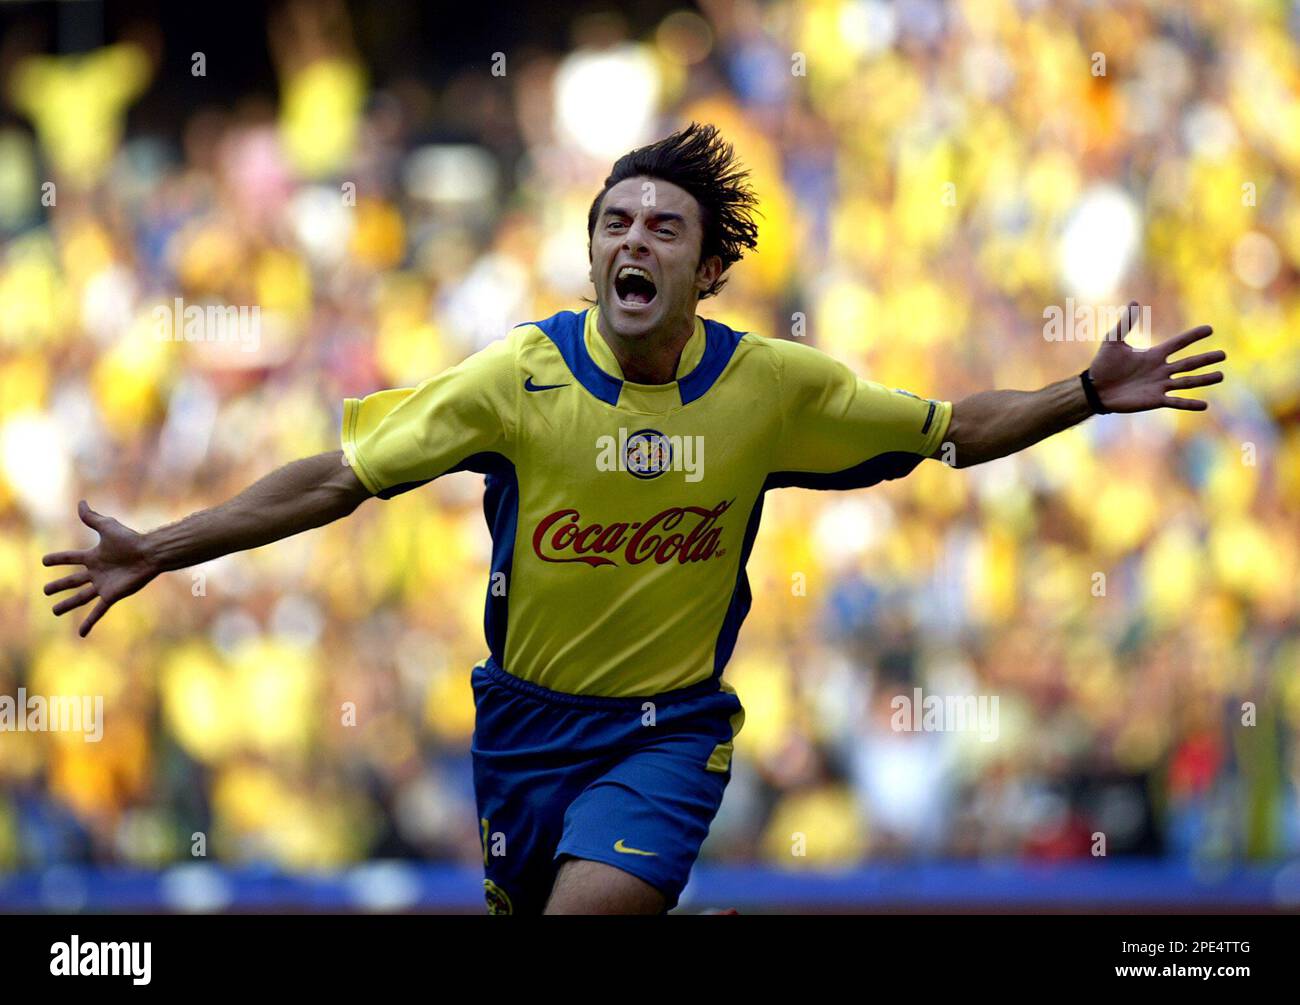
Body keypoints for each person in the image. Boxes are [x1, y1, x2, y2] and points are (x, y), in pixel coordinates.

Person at [42, 122, 1226, 914]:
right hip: (520, 730)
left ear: (706, 269)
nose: (631, 241)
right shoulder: (517, 376)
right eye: (613, 223)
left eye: (662, 227)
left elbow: (952, 431)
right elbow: (335, 478)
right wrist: (162, 547)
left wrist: (1082, 394)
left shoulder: (774, 388)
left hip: (665, 734)